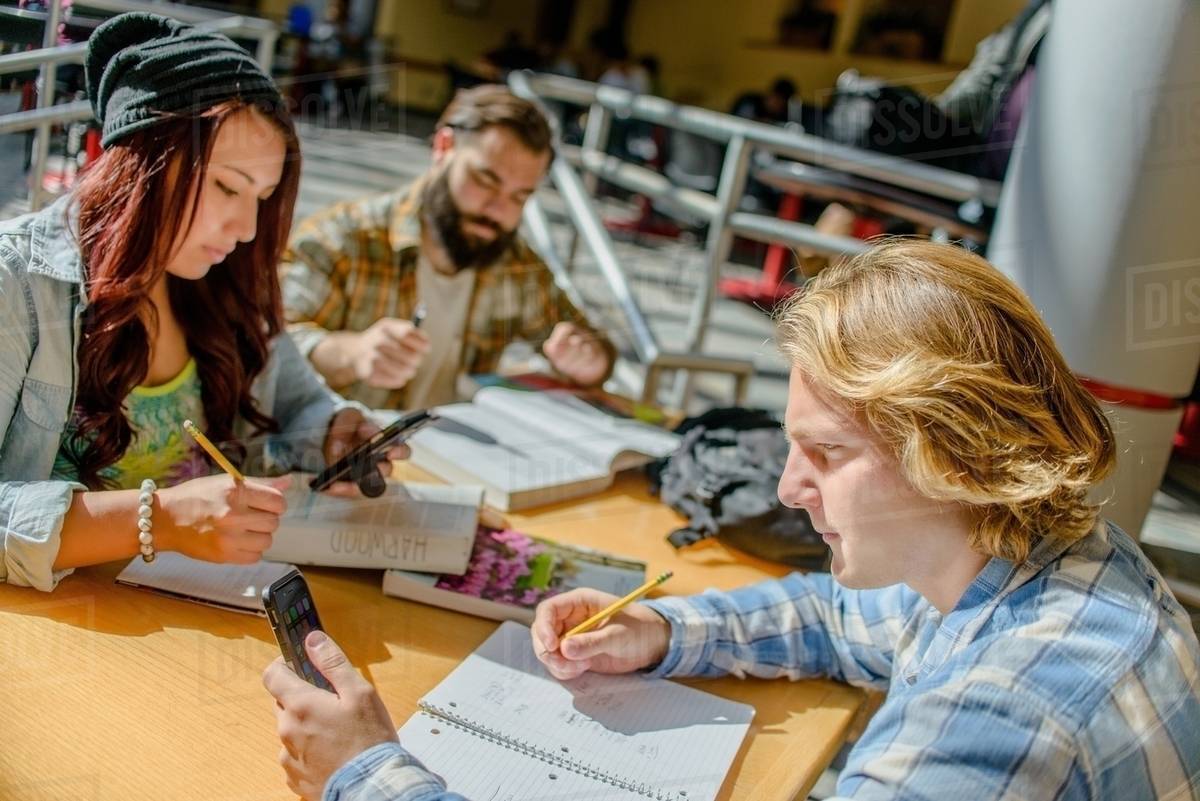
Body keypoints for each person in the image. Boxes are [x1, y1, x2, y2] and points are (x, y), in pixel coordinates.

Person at [264, 240, 1200, 800]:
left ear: (951, 453)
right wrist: (662, 629)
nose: (789, 486)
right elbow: (840, 619)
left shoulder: (990, 725)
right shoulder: (1037, 550)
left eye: (827, 455)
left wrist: (367, 772)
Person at [0, 13, 399, 592]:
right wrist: (158, 520)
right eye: (227, 187)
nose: (245, 227)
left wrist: (334, 433)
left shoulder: (225, 281)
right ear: (142, 163)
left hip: (202, 612)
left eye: (261, 198)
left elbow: (298, 401)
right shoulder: (18, 281)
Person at [278, 84, 616, 411]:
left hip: (455, 457)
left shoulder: (512, 259)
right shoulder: (340, 239)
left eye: (519, 197)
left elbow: (590, 343)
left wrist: (588, 360)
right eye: (485, 180)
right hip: (346, 455)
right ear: (443, 147)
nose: (499, 210)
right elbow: (272, 346)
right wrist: (352, 354)